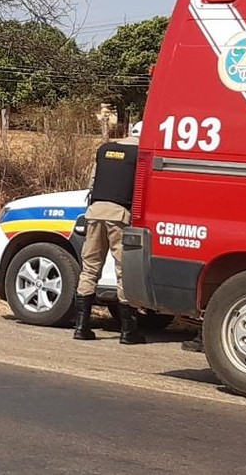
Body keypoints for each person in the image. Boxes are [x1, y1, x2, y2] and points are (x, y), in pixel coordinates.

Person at [74, 120, 145, 345]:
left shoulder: (105, 149)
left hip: (94, 212)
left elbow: (92, 183)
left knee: (90, 267)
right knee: (123, 269)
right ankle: (127, 331)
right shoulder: (141, 155)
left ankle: (81, 327)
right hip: (120, 215)